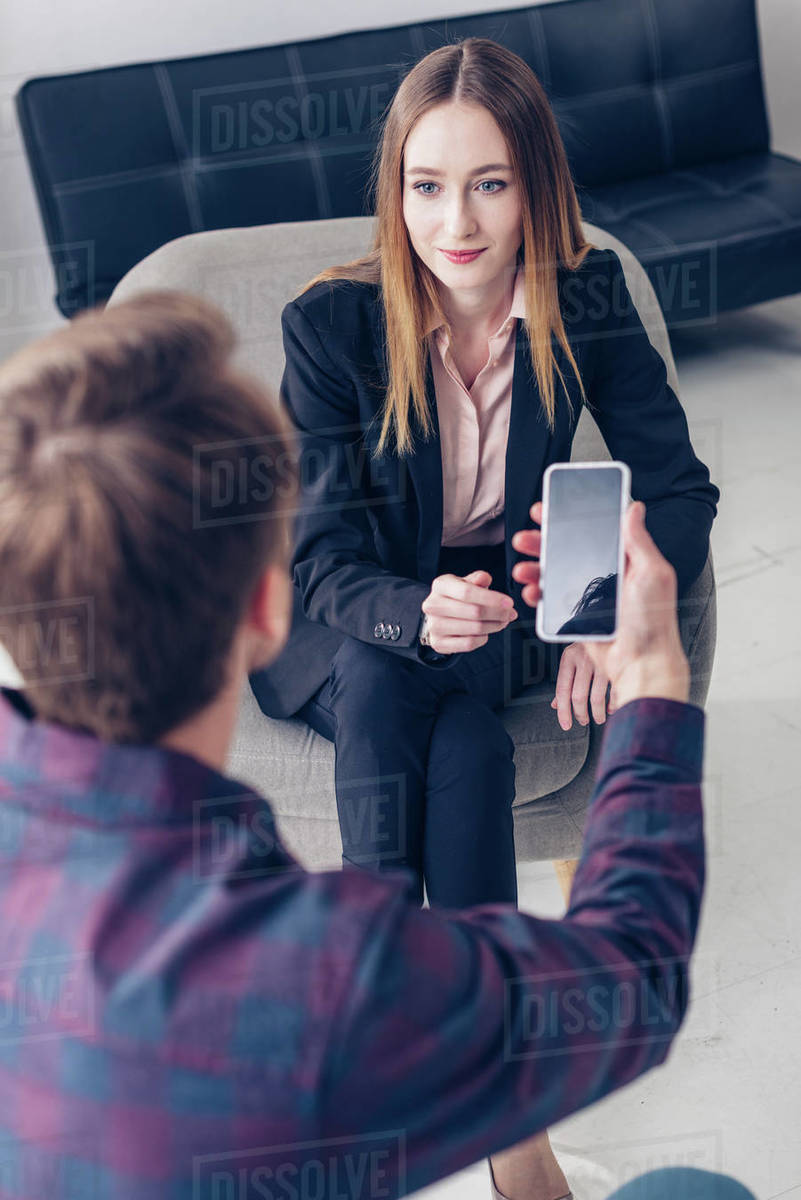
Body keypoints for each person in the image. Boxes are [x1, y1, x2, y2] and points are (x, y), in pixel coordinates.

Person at [0, 292, 753, 1200]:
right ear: (266, 609)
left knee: (465, 733)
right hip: (401, 928)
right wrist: (653, 688)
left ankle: (515, 1146)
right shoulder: (322, 973)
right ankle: (517, 1144)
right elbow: (633, 984)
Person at [250, 37, 720, 925]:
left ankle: (391, 986)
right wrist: (415, 612)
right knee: (388, 680)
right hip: (348, 609)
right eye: (426, 186)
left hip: (502, 607)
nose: (455, 225)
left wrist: (595, 607)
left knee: (462, 736)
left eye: (489, 184)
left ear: (535, 188)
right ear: (396, 192)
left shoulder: (584, 295)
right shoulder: (329, 327)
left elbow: (680, 489)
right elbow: (321, 558)